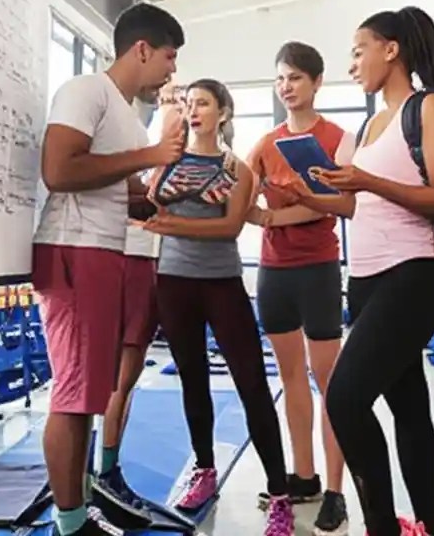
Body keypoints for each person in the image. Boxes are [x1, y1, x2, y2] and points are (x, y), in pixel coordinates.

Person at [291, 7, 434, 536]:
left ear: (391, 50)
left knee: (343, 398)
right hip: (365, 278)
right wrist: (309, 194)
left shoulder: (429, 108)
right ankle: (432, 527)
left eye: (358, 51)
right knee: (409, 405)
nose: (352, 65)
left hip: (416, 272)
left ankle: (381, 527)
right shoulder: (369, 125)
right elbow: (359, 205)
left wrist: (367, 181)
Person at [33, 2, 185, 536]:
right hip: (73, 250)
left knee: (89, 396)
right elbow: (59, 169)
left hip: (104, 251)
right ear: (141, 49)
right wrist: (149, 158)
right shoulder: (86, 90)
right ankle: (69, 523)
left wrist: (151, 199)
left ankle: (77, 511)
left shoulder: (121, 112)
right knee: (73, 396)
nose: (171, 71)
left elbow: (107, 184)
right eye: (168, 58)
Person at [136, 78, 294, 536]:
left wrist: (171, 225)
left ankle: (279, 494)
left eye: (202, 103)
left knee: (252, 386)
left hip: (222, 283)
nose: (193, 110)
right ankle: (204, 470)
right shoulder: (168, 160)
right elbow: (150, 202)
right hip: (173, 282)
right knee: (192, 380)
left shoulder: (237, 169)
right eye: (188, 103)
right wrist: (164, 220)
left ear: (222, 112)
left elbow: (228, 230)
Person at [245, 42, 349, 535]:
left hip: (318, 270)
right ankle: (303, 476)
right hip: (274, 272)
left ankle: (334, 489)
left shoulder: (336, 138)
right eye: (281, 78)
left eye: (296, 78)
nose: (286, 87)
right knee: (290, 379)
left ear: (316, 83)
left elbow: (333, 204)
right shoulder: (265, 144)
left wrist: (272, 215)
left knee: (331, 384)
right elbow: (241, 190)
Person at [90, 83, 165, 524]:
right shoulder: (139, 134)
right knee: (118, 374)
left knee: (122, 375)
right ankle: (103, 474)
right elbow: (143, 198)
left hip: (136, 256)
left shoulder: (136, 133)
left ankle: (101, 471)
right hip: (125, 257)